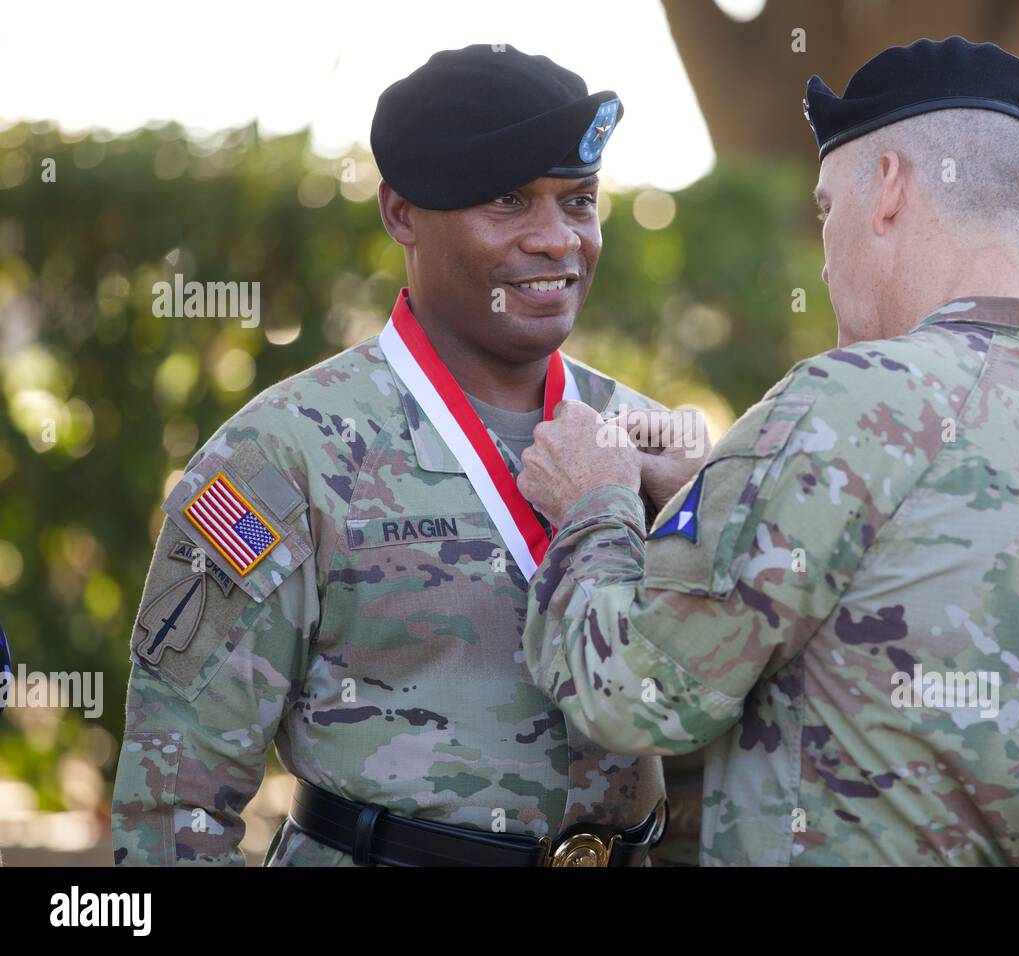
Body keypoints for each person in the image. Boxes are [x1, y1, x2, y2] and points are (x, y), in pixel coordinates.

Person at [515, 37, 1019, 866]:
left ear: (889, 189)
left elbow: (635, 697)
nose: (826, 252)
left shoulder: (847, 401)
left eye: (827, 209)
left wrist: (595, 500)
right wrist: (719, 493)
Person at [111, 45, 667, 867]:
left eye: (578, 201)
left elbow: (710, 751)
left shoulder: (647, 441)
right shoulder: (280, 456)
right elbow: (174, 805)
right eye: (509, 201)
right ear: (402, 213)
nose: (558, 240)